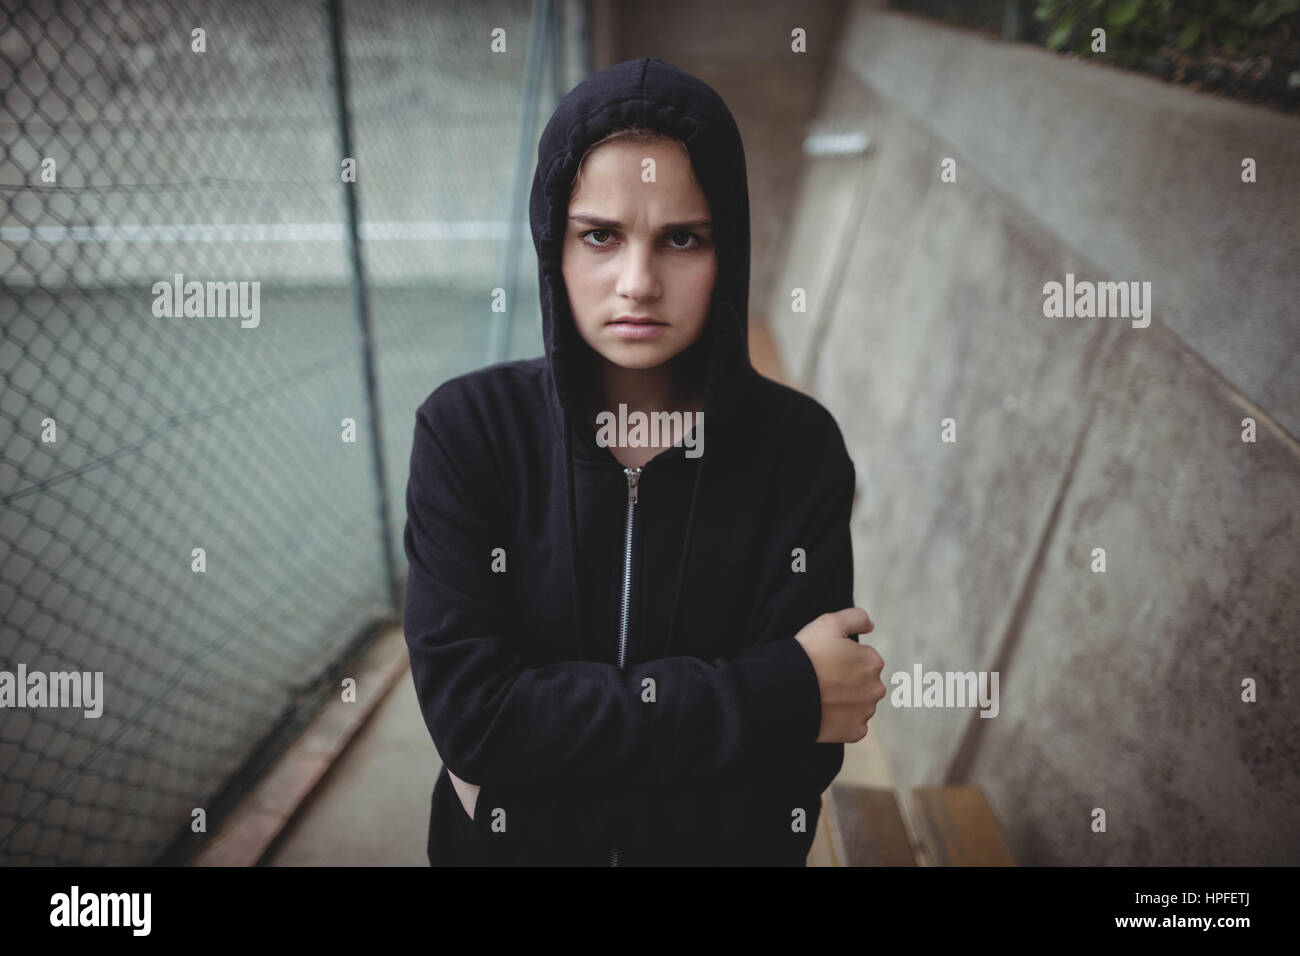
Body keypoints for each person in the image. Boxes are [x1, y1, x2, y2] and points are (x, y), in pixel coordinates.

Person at [403, 56, 886, 867]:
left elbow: (804, 755)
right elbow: (474, 720)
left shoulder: (798, 449)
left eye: (681, 239)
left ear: (726, 251)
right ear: (554, 244)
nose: (638, 282)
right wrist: (775, 691)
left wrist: (538, 761)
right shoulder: (468, 432)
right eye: (600, 235)